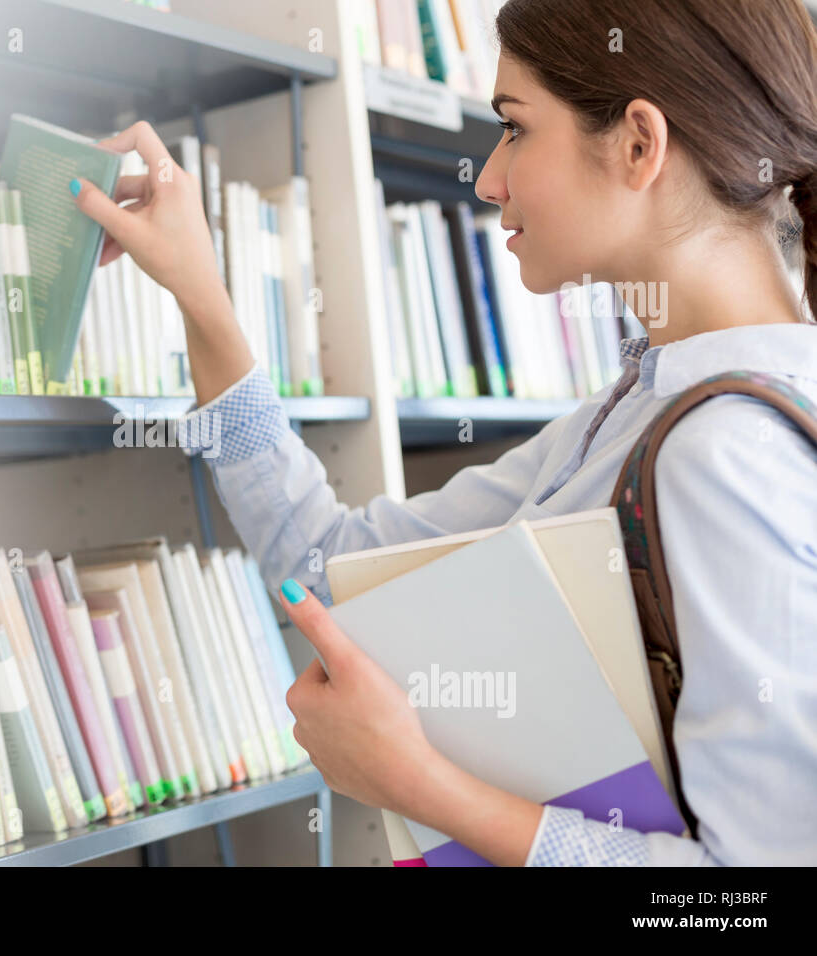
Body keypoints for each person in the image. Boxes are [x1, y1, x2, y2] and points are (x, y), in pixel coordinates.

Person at [69, 0, 817, 866]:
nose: (490, 179)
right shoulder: (636, 412)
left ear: (639, 145)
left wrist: (412, 780)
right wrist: (202, 294)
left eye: (514, 131)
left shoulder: (725, 454)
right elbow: (331, 564)